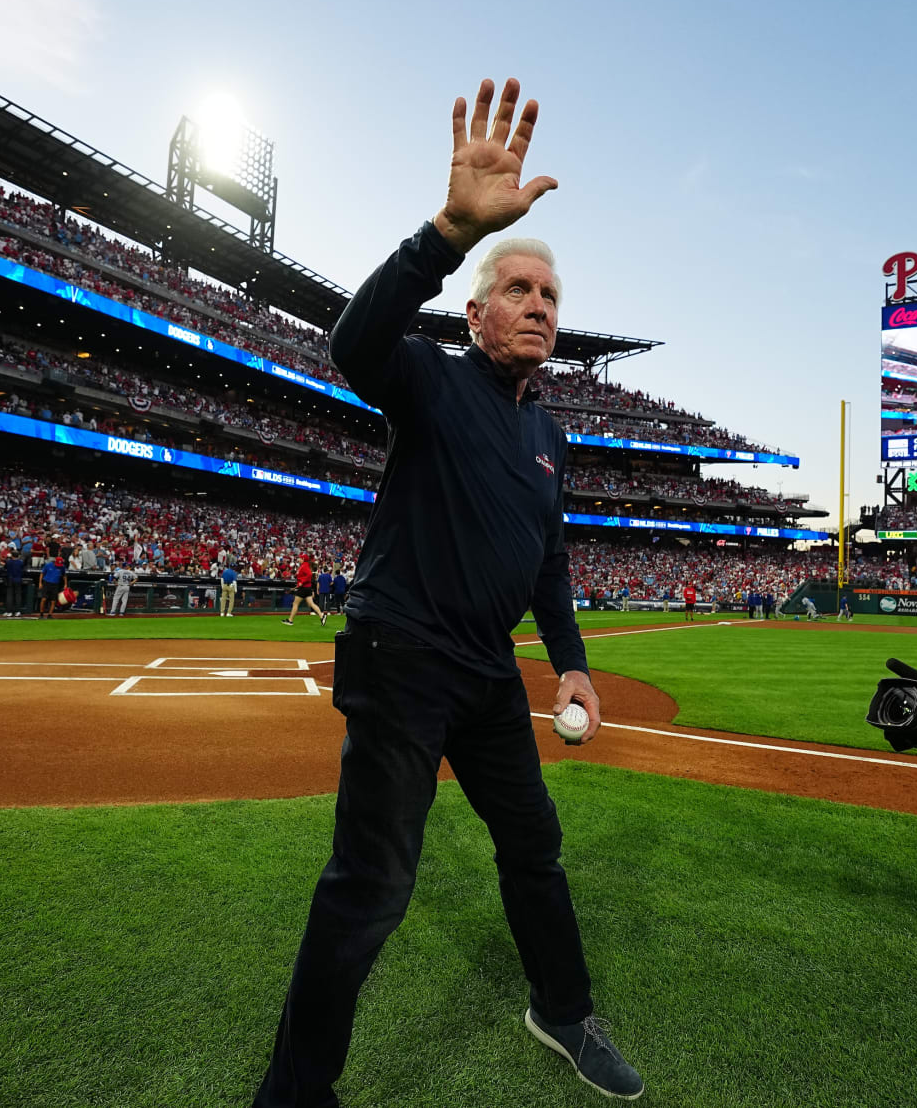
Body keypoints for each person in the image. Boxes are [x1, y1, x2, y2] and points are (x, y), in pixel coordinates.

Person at [252, 78, 641, 1106]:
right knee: (372, 885)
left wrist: (573, 662)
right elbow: (350, 345)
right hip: (401, 653)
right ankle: (294, 1093)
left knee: (536, 849)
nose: (540, 309)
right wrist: (446, 230)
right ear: (475, 311)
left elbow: (548, 564)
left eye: (551, 298)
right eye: (519, 290)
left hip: (485, 669)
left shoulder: (548, 433)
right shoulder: (428, 371)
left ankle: (561, 1011)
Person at [283, 554, 326, 625]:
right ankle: (322, 616)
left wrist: (301, 582)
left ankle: (290, 620)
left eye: (299, 558)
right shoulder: (304, 565)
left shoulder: (304, 566)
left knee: (295, 603)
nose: (298, 559)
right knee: (311, 604)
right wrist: (300, 582)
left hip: (304, 588)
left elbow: (309, 574)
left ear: (303, 558)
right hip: (307, 587)